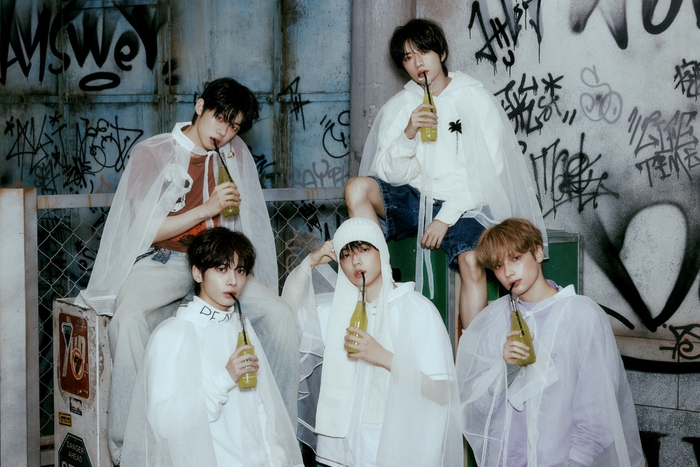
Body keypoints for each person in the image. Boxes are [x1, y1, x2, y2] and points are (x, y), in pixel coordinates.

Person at [74, 78, 299, 464]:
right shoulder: (153, 152)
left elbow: (250, 224)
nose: (225, 132)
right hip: (166, 257)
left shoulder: (234, 153)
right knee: (127, 321)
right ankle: (130, 448)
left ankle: (278, 439)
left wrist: (239, 264)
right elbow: (145, 231)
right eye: (220, 119)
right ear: (199, 107)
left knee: (279, 317)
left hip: (218, 261)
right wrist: (207, 208)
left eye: (235, 126)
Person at [345, 18, 546, 329]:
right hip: (416, 199)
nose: (418, 63)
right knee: (357, 188)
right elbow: (389, 175)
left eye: (424, 52)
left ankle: (470, 350)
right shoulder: (401, 105)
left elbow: (488, 174)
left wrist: (445, 217)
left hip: (466, 203)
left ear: (440, 53)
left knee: (471, 260)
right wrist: (409, 133)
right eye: (408, 58)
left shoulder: (475, 98)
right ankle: (380, 295)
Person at [456, 218, 645, 467]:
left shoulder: (581, 315)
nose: (508, 272)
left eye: (515, 258)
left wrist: (575, 463)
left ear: (538, 252)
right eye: (498, 265)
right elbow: (474, 409)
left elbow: (596, 412)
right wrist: (504, 371)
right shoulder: (495, 319)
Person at [282, 217, 463, 467]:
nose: (355, 261)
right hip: (340, 455)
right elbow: (286, 317)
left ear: (381, 252)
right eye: (345, 255)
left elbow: (444, 393)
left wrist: (383, 357)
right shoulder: (338, 312)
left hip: (397, 454)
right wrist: (311, 262)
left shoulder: (416, 309)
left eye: (364, 250)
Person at [120, 227, 303, 466]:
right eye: (221, 269)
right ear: (197, 273)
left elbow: (263, 408)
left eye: (240, 271)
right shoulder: (172, 334)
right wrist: (224, 379)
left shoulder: (242, 326)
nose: (233, 281)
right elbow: (163, 423)